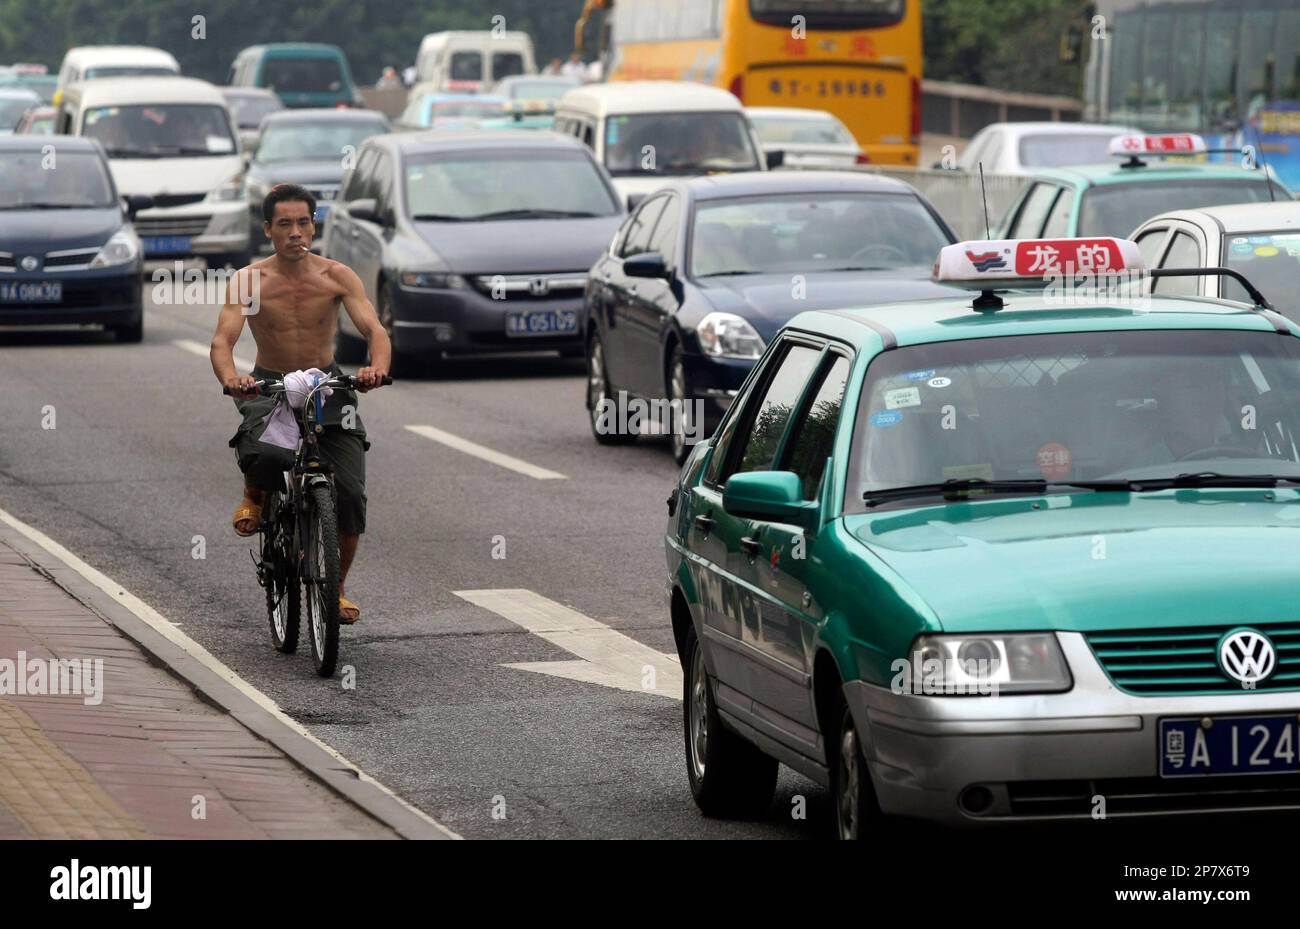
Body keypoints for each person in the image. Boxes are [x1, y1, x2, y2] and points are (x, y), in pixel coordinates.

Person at [210, 184, 391, 624]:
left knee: (348, 494)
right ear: (268, 229)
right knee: (265, 451)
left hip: (327, 383)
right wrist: (234, 379)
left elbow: (375, 330)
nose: (296, 232)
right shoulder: (250, 281)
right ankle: (255, 495)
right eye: (285, 224)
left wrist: (375, 369)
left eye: (304, 221)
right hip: (268, 383)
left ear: (315, 224)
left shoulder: (337, 275)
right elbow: (223, 341)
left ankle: (338, 589)